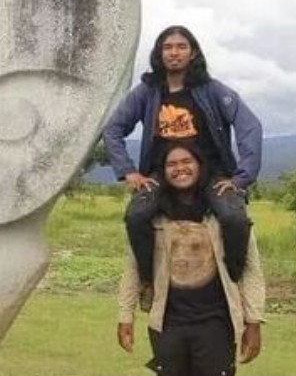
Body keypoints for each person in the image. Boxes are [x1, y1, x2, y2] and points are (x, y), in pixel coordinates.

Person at [102, 26, 262, 293]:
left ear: (193, 52)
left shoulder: (211, 90)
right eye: (167, 47)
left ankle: (234, 279)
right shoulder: (147, 92)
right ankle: (148, 280)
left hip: (212, 174)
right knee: (136, 216)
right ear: (159, 53)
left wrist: (241, 177)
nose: (174, 52)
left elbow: (250, 127)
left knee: (234, 219)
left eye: (181, 46)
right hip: (162, 172)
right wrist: (128, 171)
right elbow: (113, 129)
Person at [117, 143, 265, 376]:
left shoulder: (226, 214)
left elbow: (251, 268)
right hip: (167, 324)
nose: (180, 169)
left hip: (217, 323)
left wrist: (254, 322)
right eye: (172, 164)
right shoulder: (152, 216)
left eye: (187, 162)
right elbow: (133, 266)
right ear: (163, 172)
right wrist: (125, 316)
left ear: (200, 166)